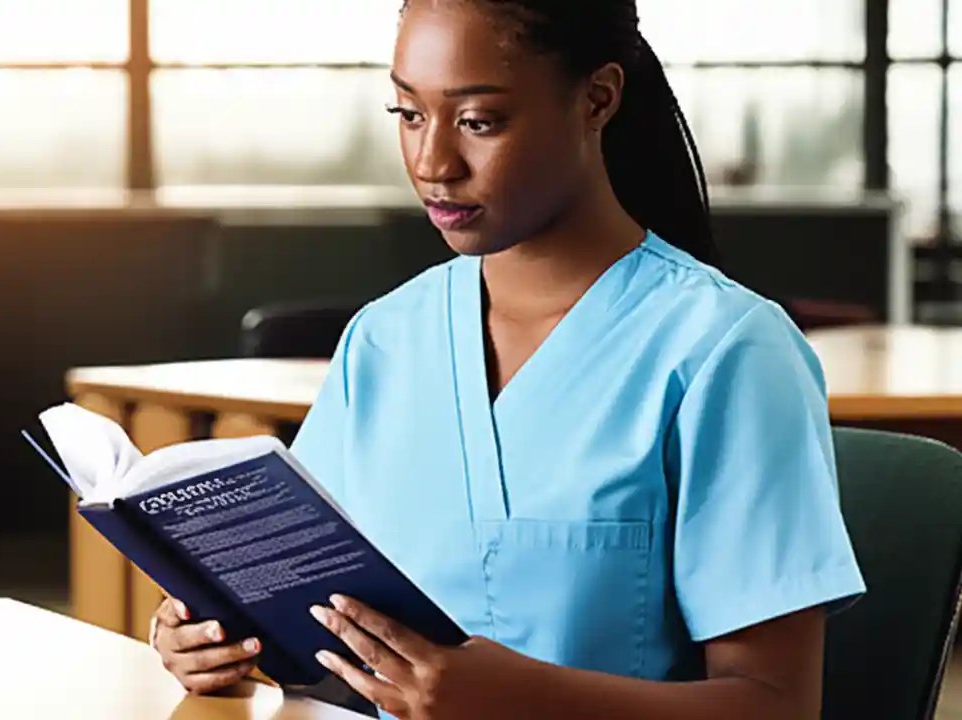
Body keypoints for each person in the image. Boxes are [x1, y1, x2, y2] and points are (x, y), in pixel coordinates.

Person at [149, 1, 866, 717]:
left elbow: (775, 707)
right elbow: (315, 617)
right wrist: (223, 640)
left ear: (598, 98)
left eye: (478, 121)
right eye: (407, 114)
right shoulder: (384, 339)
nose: (433, 163)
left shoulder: (725, 350)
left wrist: (524, 701)